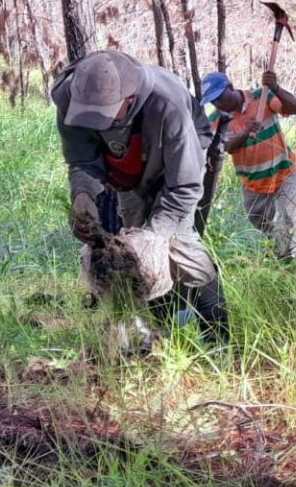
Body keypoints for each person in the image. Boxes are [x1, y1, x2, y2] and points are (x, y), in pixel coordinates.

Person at [52, 49, 229, 342]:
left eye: (105, 116)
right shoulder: (71, 96)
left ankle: (218, 338)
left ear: (130, 99)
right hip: (130, 170)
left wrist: (155, 235)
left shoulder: (167, 104)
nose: (97, 125)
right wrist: (83, 196)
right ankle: (163, 332)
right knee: (136, 255)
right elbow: (82, 161)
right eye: (90, 117)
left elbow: (184, 186)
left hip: (181, 156)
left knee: (178, 244)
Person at [200, 70, 296, 260]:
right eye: (212, 101)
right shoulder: (217, 119)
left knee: (290, 221)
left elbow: (295, 108)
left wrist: (276, 88)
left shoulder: (261, 97)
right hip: (254, 185)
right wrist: (245, 133)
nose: (217, 103)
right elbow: (220, 148)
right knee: (261, 222)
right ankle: (277, 251)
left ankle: (292, 262)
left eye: (219, 97)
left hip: (284, 173)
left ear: (230, 87)